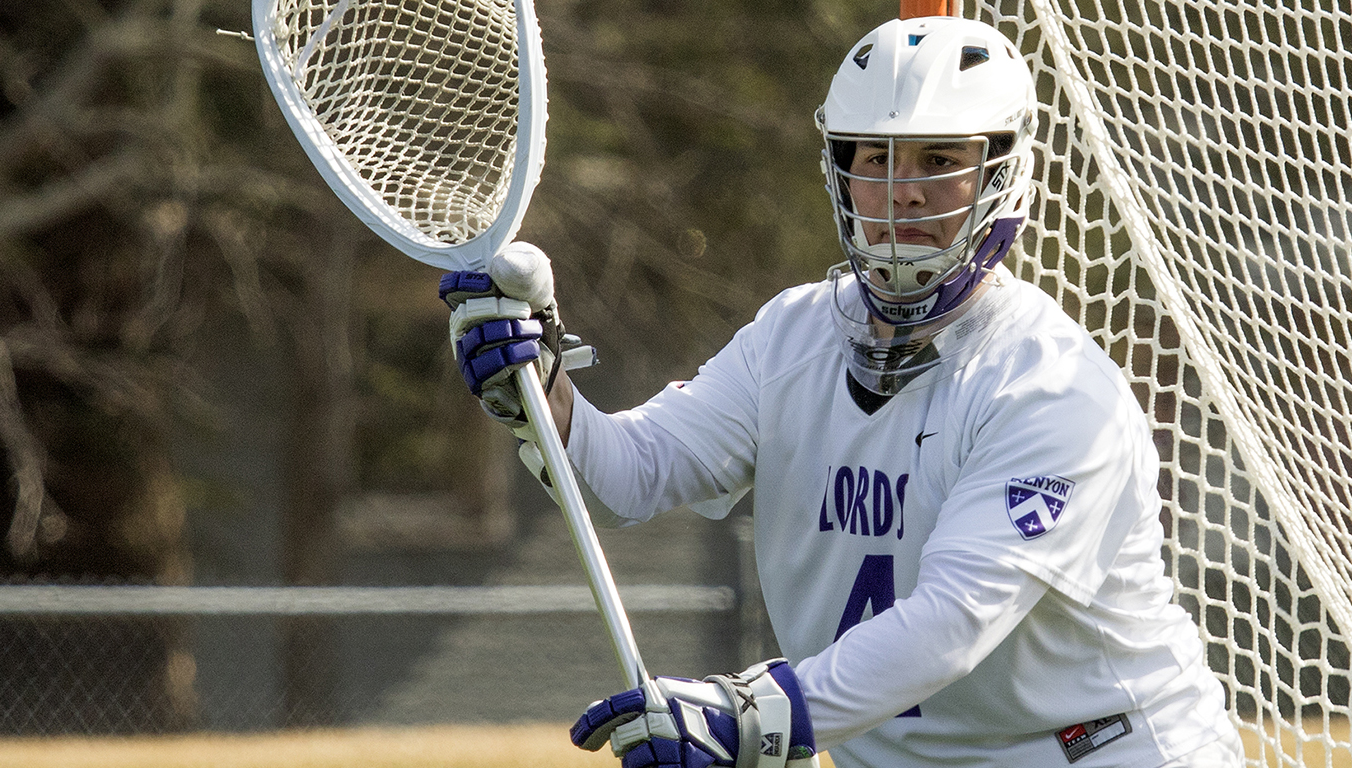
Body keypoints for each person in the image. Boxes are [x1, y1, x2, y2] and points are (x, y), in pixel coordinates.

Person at [440, 15, 1244, 768]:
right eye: (877, 158)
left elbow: (953, 622)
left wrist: (745, 716)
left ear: (1002, 172)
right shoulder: (791, 336)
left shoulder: (1051, 387)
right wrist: (539, 395)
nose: (904, 191)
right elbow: (630, 475)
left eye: (939, 161)